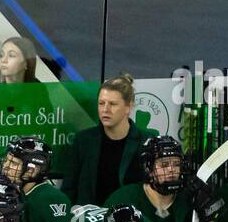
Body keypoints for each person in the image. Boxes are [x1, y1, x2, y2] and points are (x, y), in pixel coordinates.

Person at [58, 74, 156, 207]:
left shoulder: (146, 142)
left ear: (128, 107)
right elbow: (69, 189)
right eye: (101, 103)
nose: (105, 109)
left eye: (113, 104)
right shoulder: (83, 141)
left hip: (130, 221)